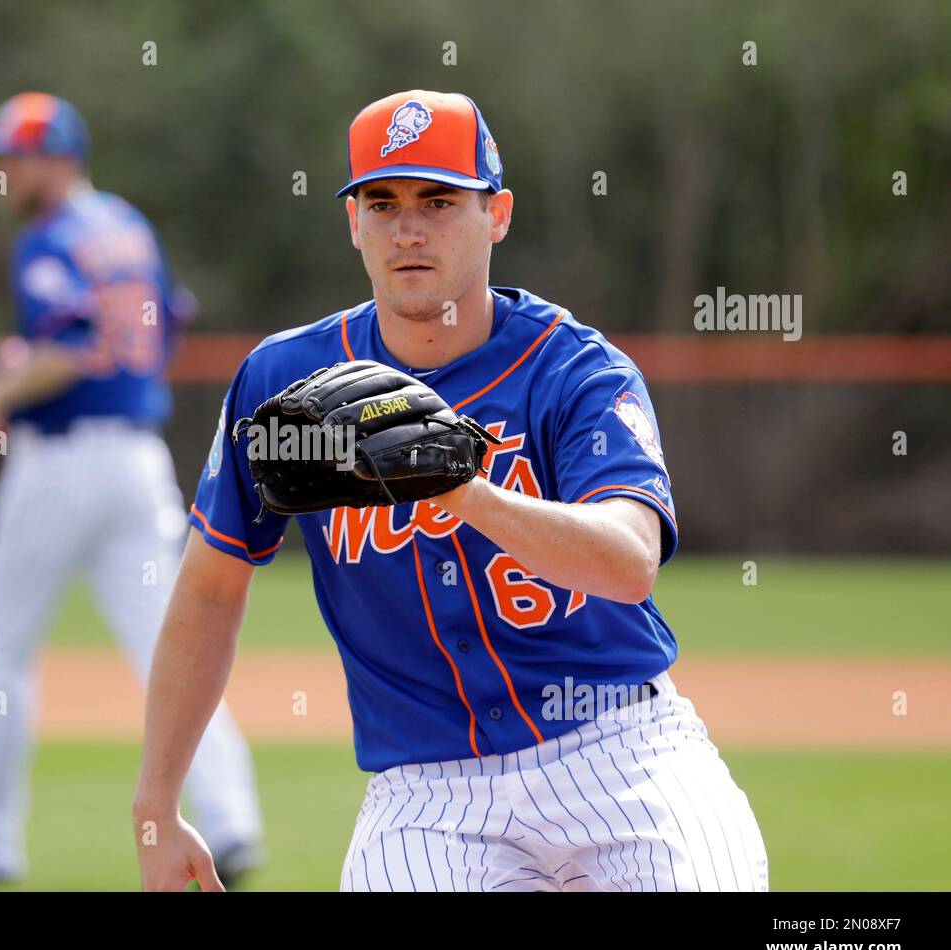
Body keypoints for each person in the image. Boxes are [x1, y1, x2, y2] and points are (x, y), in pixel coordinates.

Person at [132, 89, 768, 892]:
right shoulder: (285, 384)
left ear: (497, 214)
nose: (408, 228)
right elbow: (210, 590)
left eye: (439, 200)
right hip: (427, 795)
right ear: (352, 222)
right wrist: (156, 801)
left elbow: (629, 561)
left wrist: (464, 488)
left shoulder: (574, 370)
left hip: (621, 752)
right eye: (382, 201)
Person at [0, 92, 264, 885]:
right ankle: (233, 824)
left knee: (6, 649)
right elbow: (157, 328)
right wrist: (22, 358)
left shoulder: (52, 235)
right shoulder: (127, 227)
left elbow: (73, 344)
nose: (3, 172)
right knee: (174, 646)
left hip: (60, 462)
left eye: (16, 156)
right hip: (138, 461)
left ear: (59, 159)